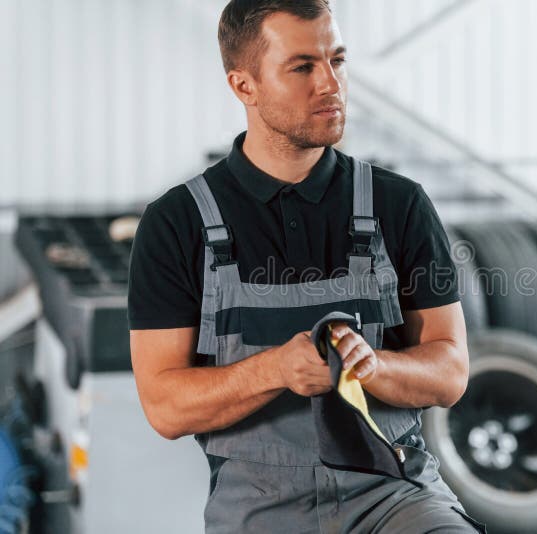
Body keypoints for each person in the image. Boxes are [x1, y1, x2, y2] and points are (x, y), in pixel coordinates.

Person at [127, 1, 485, 532]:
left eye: (336, 60)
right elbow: (165, 407)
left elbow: (450, 372)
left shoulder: (398, 204)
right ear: (244, 85)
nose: (330, 84)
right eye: (302, 67)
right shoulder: (176, 224)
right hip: (258, 506)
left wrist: (372, 367)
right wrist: (275, 370)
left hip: (391, 492)